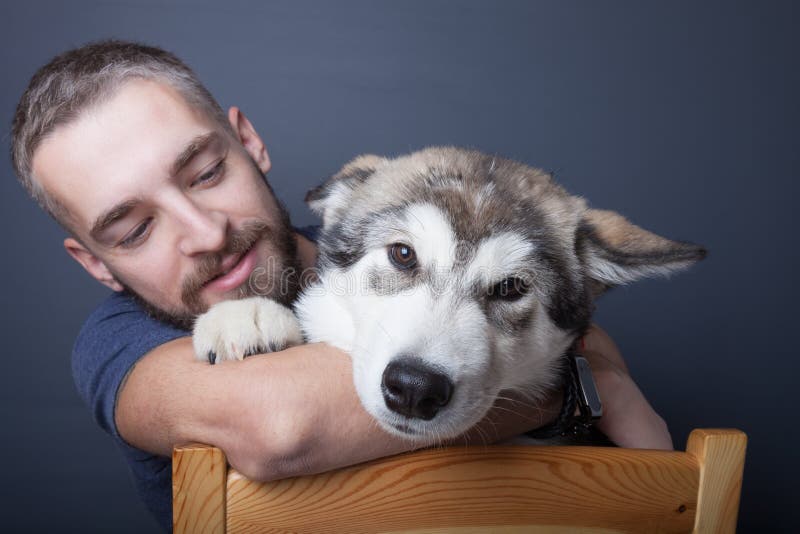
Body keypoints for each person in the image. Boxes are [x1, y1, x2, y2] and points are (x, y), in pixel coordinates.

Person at [11, 40, 672, 531]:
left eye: (206, 172)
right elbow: (279, 427)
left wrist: (584, 351)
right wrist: (577, 385)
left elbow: (551, 307)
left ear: (249, 142)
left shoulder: (379, 233)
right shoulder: (119, 343)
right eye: (133, 230)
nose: (204, 233)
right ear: (96, 263)